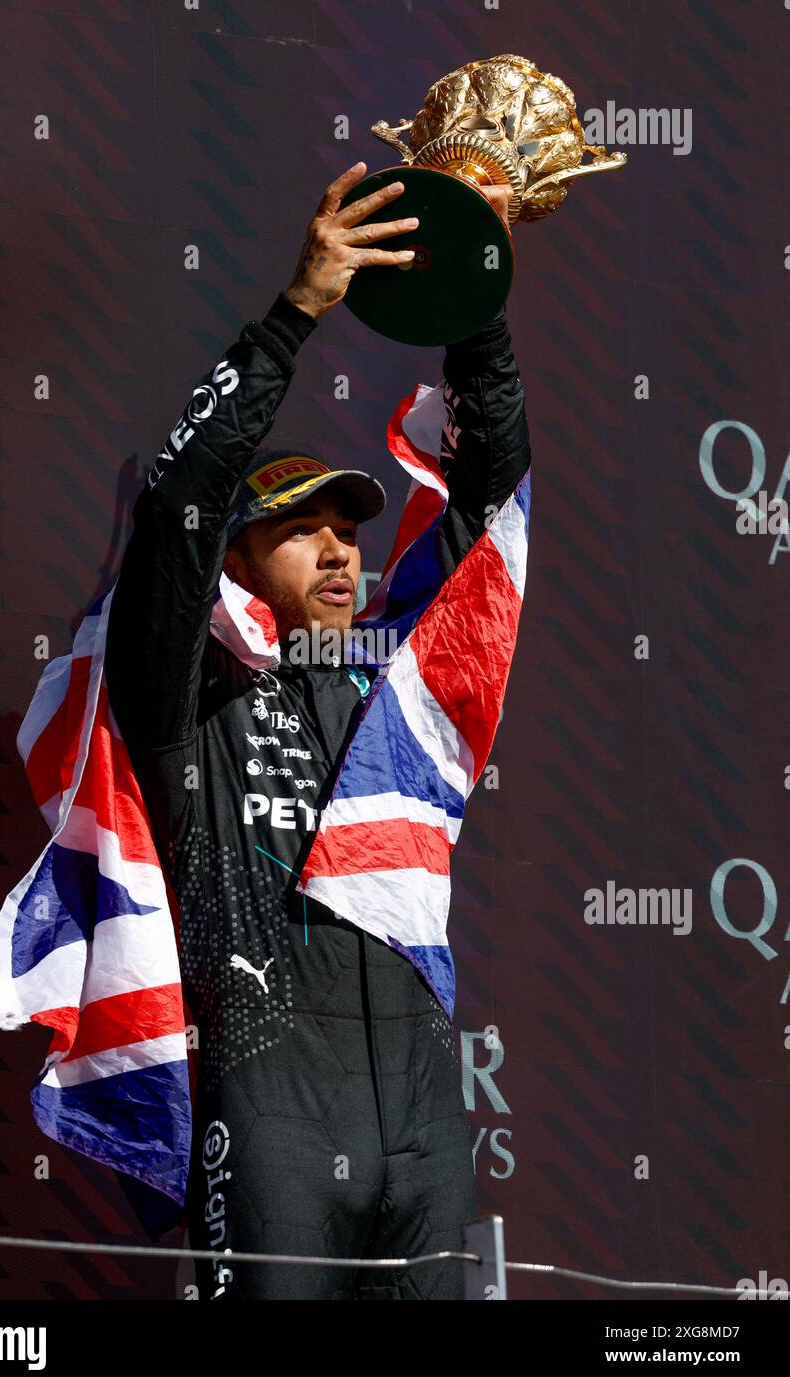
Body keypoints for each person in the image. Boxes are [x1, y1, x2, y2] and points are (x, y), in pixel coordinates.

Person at [104, 160, 530, 1300]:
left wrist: (472, 305)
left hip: (432, 1130)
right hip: (274, 1115)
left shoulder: (402, 684)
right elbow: (176, 516)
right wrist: (295, 314)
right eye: (302, 530)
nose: (342, 549)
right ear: (237, 562)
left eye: (351, 528)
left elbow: (492, 502)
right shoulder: (184, 700)